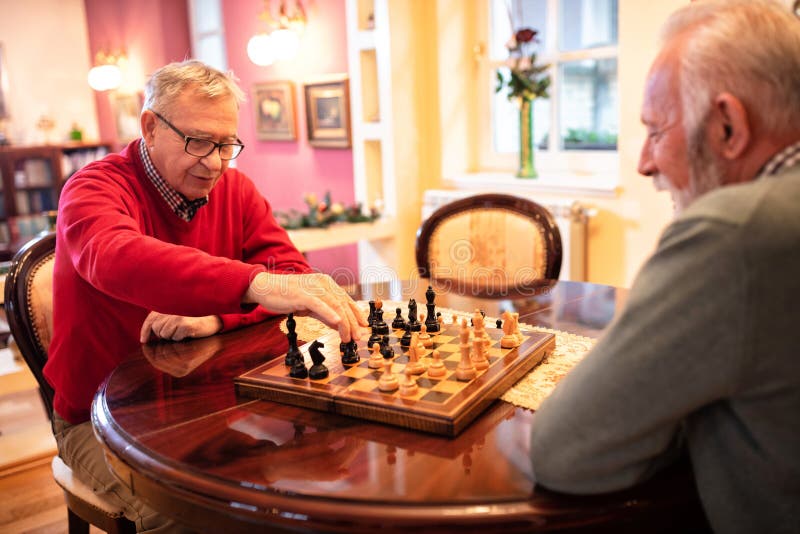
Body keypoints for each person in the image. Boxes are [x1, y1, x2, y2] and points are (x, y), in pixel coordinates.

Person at [44, 60, 365, 532]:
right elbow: (116, 256)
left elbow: (292, 277)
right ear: (150, 127)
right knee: (186, 516)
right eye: (198, 141)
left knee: (309, 492)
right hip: (101, 419)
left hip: (206, 404)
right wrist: (254, 285)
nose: (214, 161)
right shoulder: (92, 188)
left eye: (226, 144)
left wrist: (217, 318)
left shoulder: (236, 189)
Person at [529, 1, 800, 533]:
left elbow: (565, 449)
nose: (645, 163)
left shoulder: (736, 233)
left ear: (727, 126)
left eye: (656, 130)